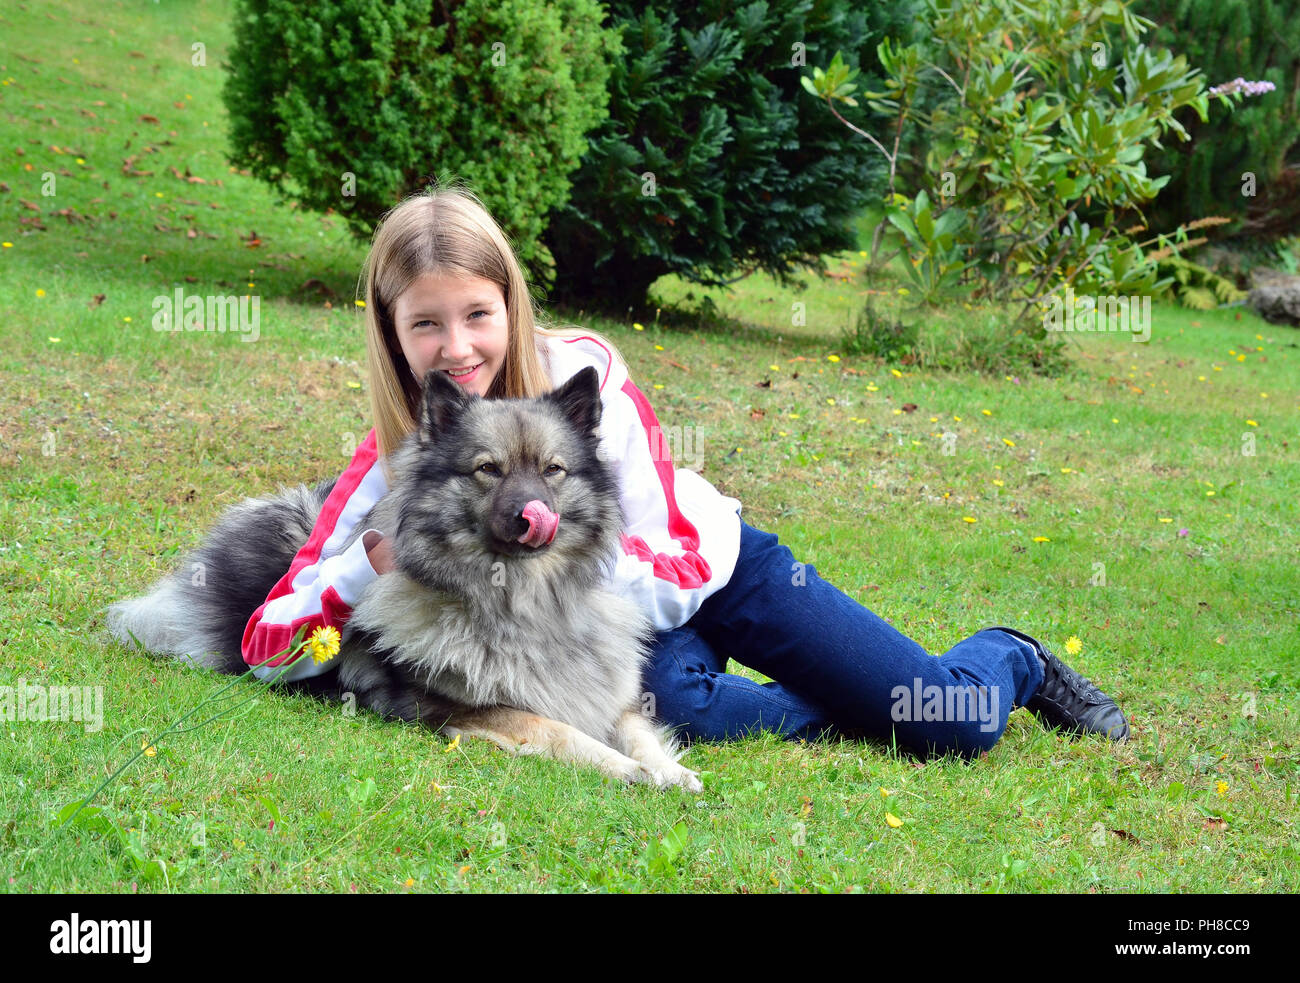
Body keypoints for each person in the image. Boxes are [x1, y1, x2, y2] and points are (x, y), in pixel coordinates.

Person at [241, 186, 1128, 759]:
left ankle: (1012, 657)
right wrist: (370, 561)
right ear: (391, 334)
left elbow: (676, 565)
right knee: (676, 709)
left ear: (509, 303)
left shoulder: (583, 378)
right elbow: (268, 642)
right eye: (425, 324)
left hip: (718, 573)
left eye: (478, 312)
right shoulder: (401, 456)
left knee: (951, 725)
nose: (458, 344)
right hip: (613, 632)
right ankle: (852, 710)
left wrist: (557, 577)